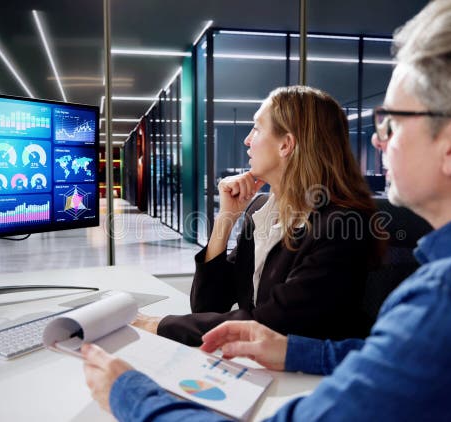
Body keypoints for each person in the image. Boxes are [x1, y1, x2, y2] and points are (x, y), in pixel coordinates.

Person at [82, 0, 451, 420]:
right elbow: (416, 355)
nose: (378, 142)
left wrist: (130, 392)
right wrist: (302, 351)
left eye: (392, 122)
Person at [132, 86, 380, 346]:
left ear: (286, 144)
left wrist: (159, 324)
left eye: (257, 129)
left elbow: (267, 325)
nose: (247, 140)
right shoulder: (264, 212)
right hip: (265, 367)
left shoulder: (339, 226)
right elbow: (207, 305)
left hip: (313, 377)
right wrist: (227, 218)